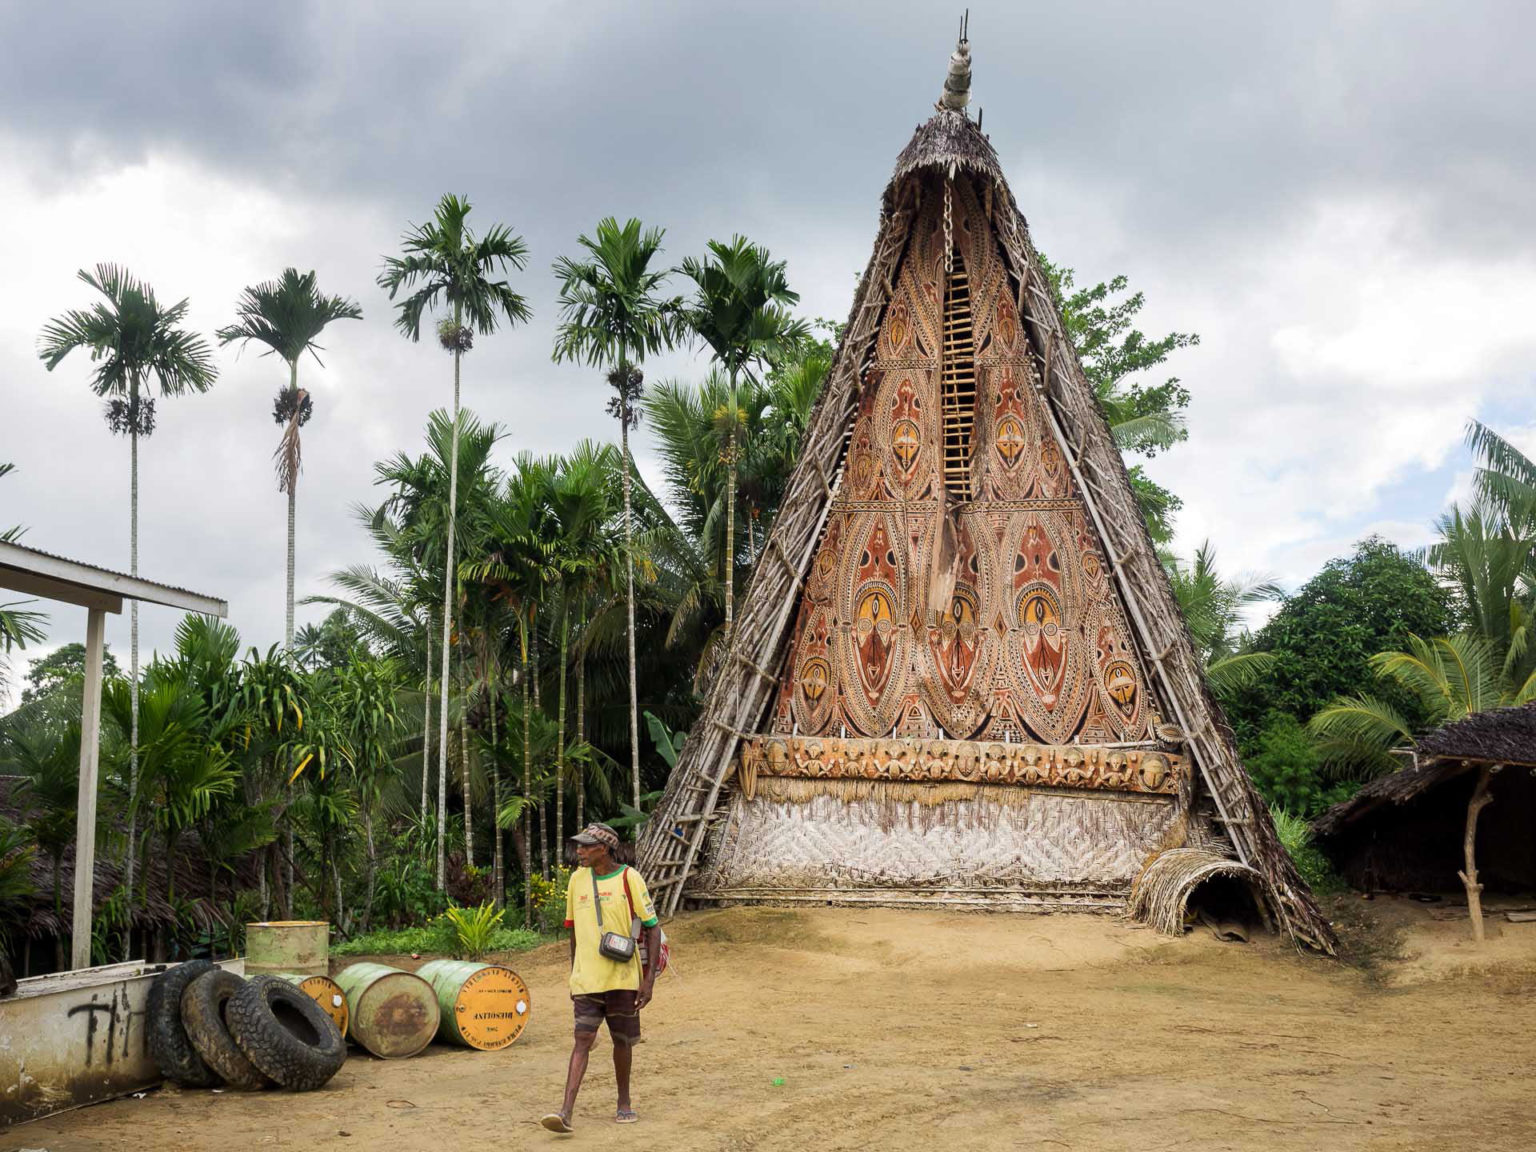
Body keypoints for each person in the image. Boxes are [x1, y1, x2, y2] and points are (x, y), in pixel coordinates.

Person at [541, 822, 661, 1132]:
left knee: (622, 1041)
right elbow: (572, 933)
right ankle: (565, 1112)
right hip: (587, 979)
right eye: (578, 845)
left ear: (603, 849)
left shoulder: (628, 878)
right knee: (582, 1039)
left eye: (585, 845)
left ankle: (624, 1102)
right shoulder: (576, 881)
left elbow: (652, 927)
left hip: (622, 977)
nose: (578, 850)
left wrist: (647, 982)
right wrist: (574, 973)